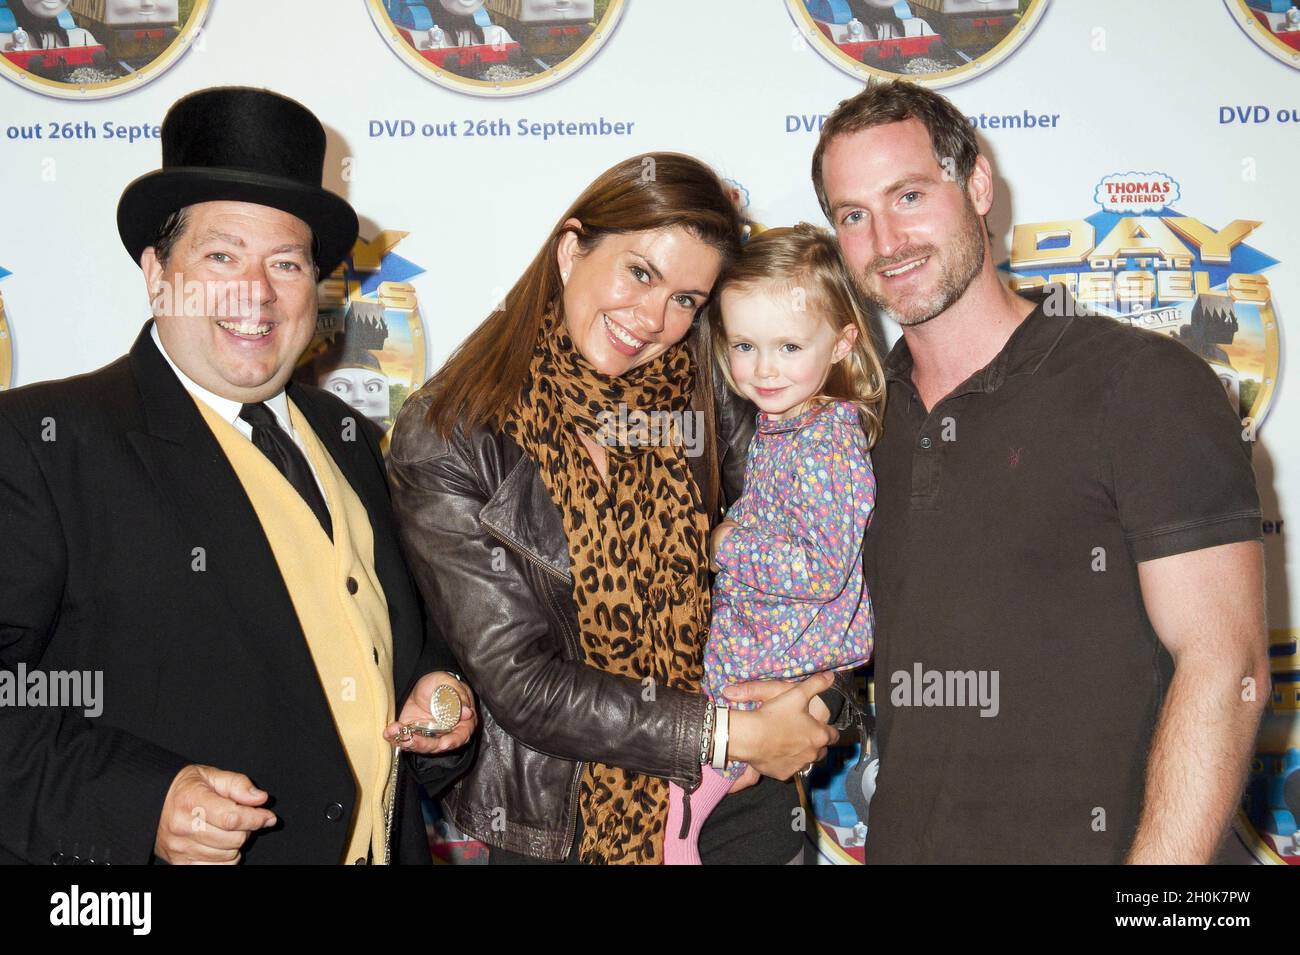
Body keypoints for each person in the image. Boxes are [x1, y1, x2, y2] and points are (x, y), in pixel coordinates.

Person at [0, 86, 475, 866]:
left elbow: (390, 644)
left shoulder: (351, 436)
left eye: (285, 263)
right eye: (222, 256)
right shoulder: (40, 446)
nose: (256, 294)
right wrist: (141, 802)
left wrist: (439, 699)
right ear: (157, 274)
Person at [811, 79, 1269, 863]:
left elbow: (1225, 664)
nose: (887, 241)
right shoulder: (849, 428)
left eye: (910, 194)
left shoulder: (1140, 382)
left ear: (978, 186)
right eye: (854, 215)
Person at [388, 153, 848, 865]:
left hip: (738, 804)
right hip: (564, 824)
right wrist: (726, 732)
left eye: (688, 299)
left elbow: (824, 567)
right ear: (572, 249)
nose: (654, 319)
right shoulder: (450, 432)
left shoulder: (710, 388)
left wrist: (813, 706)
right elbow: (522, 681)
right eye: (640, 272)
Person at [663, 224, 881, 865]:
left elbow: (820, 569)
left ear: (842, 343)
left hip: (787, 645)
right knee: (712, 763)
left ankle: (681, 839)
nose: (763, 368)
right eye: (745, 345)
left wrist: (724, 544)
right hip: (769, 638)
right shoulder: (783, 421)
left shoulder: (829, 438)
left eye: (788, 346)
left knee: (698, 769)